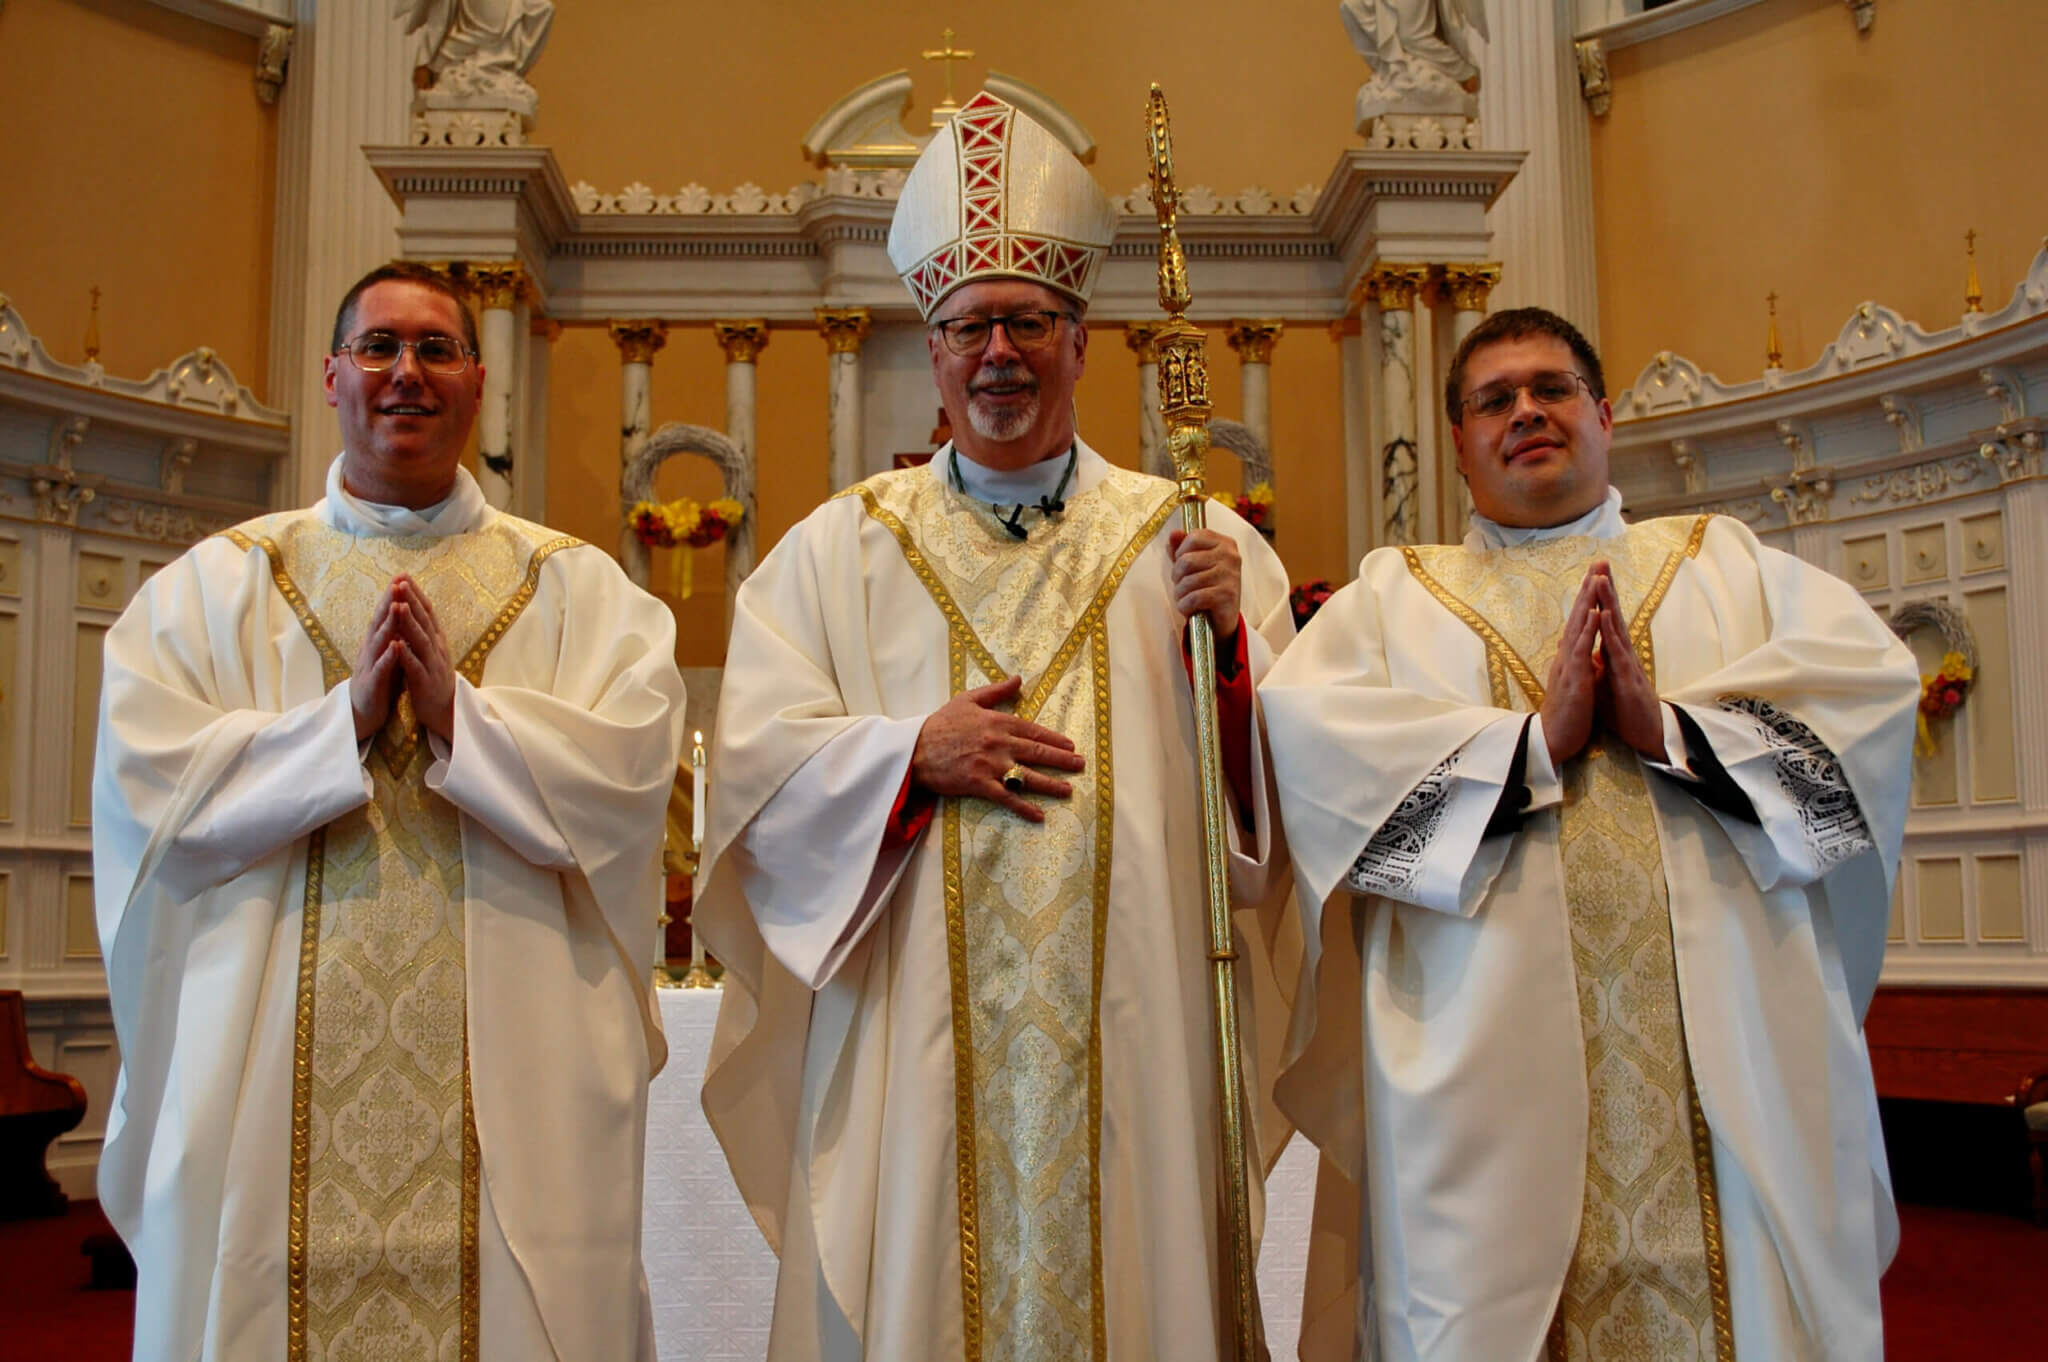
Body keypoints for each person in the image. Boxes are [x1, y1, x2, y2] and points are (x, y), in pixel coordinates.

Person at [697, 90, 1297, 1360]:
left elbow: (1271, 826)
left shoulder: (1197, 542)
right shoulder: (837, 549)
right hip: (914, 1026)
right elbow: (749, 767)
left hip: (1142, 1021)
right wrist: (902, 757)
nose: (1000, 354)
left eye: (1030, 322)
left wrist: (1233, 654)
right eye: (970, 326)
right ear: (933, 348)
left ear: (1083, 342)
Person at [1260, 307, 1919, 1362]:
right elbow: (1320, 770)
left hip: (1728, 1084)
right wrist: (1526, 748)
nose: (1524, 411)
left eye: (1550, 389)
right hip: (1479, 1096)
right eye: (1492, 400)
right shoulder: (1391, 599)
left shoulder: (1727, 565)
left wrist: (1674, 733)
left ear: (1603, 417)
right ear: (1459, 446)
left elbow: (1868, 708)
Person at [92, 261, 686, 1362]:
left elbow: (626, 777)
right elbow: (152, 797)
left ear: (476, 383)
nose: (404, 374)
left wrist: (464, 719)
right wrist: (340, 728)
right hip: (268, 1083)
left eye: (434, 350)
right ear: (331, 376)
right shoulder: (212, 588)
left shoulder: (579, 591)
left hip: (516, 1077)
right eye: (378, 349)